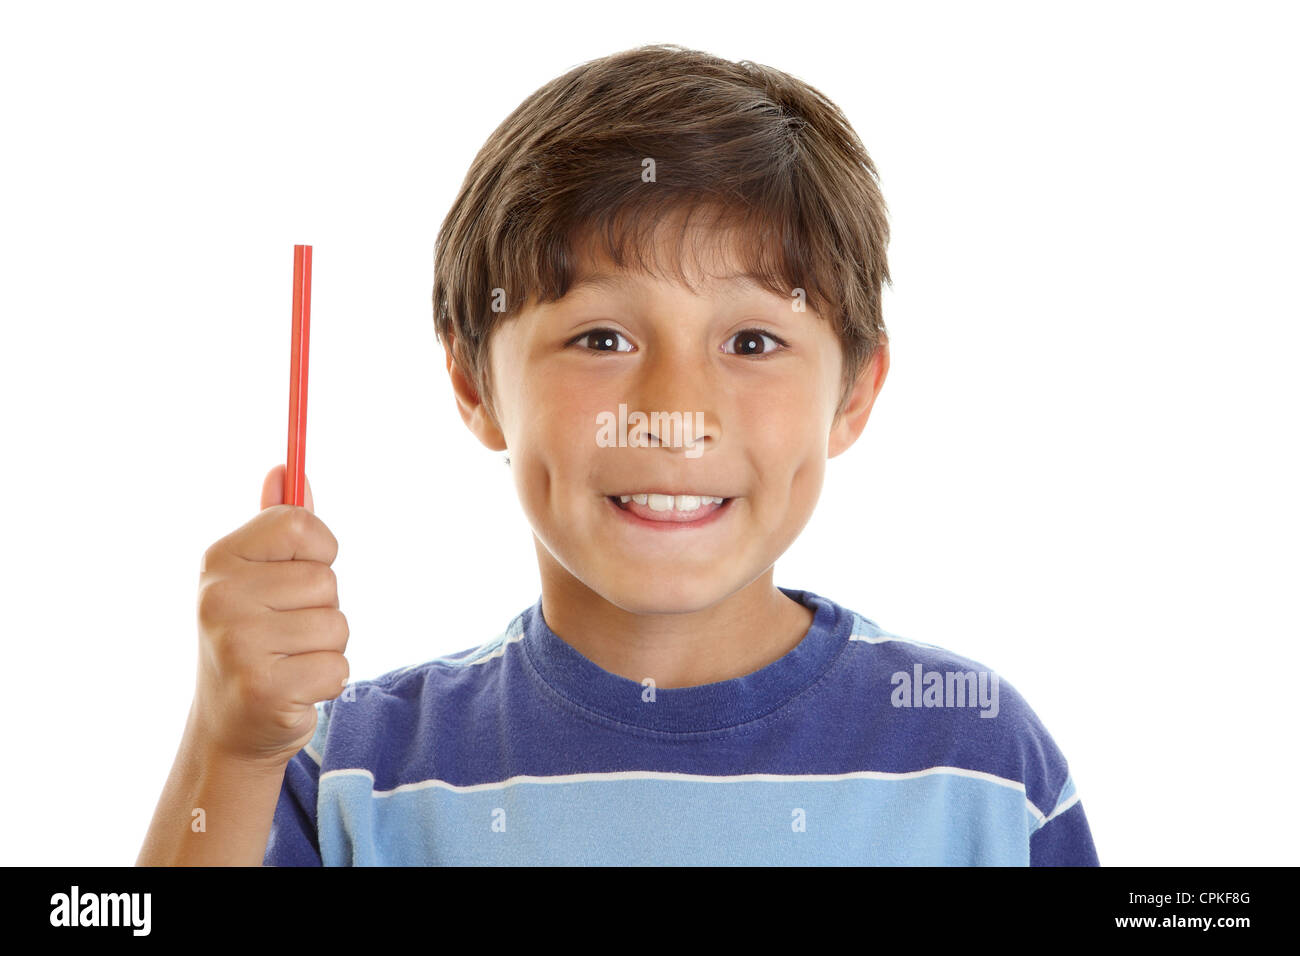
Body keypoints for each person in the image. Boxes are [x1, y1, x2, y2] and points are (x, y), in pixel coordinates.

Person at [138, 43, 1099, 866]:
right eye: (601, 339)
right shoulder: (354, 774)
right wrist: (226, 750)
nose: (674, 415)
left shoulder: (979, 762)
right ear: (476, 385)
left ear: (853, 394)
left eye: (752, 342)